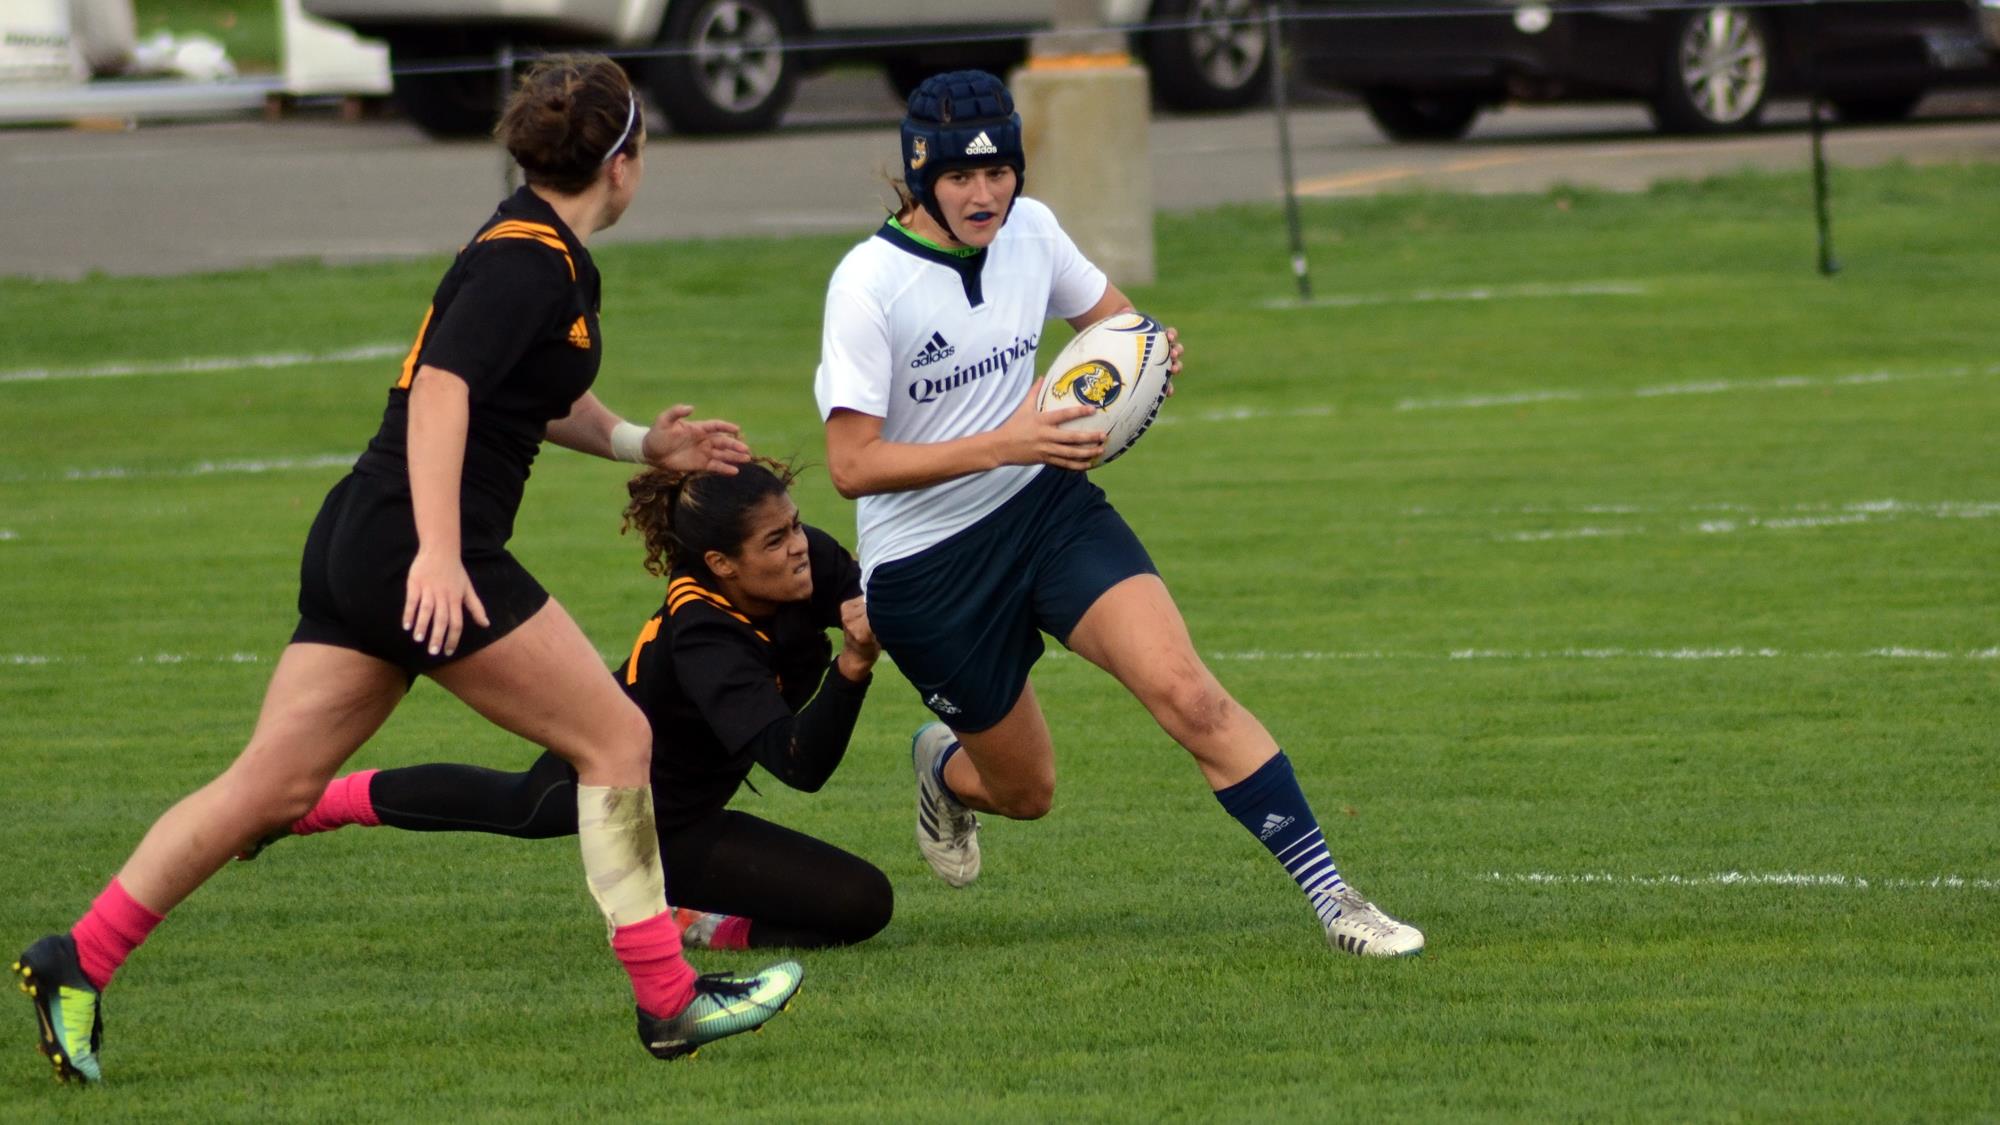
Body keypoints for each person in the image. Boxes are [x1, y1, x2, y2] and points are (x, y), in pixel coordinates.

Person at [12, 54, 800, 1086]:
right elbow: (440, 393)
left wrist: (646, 445)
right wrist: (437, 551)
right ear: (624, 163)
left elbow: (529, 394)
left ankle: (77, 958)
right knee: (618, 739)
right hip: (420, 552)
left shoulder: (541, 245)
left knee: (274, 786)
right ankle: (668, 1002)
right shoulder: (528, 260)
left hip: (367, 540)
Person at [813, 70, 1425, 957]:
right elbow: (850, 465)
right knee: (1028, 792)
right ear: (922, 178)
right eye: (959, 178)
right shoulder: (868, 285)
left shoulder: (1035, 231)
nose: (985, 195)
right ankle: (941, 767)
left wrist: (1147, 353)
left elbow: (1116, 327)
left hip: (1047, 511)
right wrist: (1008, 440)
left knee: (1192, 696)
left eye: (999, 172)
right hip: (927, 565)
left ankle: (1337, 902)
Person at [261, 460, 893, 953]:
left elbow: (889, 606)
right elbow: (797, 764)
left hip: (694, 799)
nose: (799, 546)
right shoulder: (707, 636)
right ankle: (309, 803)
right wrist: (852, 669)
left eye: (794, 525)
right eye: (775, 539)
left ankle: (689, 920)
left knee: (860, 907)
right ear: (722, 563)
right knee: (523, 807)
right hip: (647, 812)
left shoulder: (808, 561)